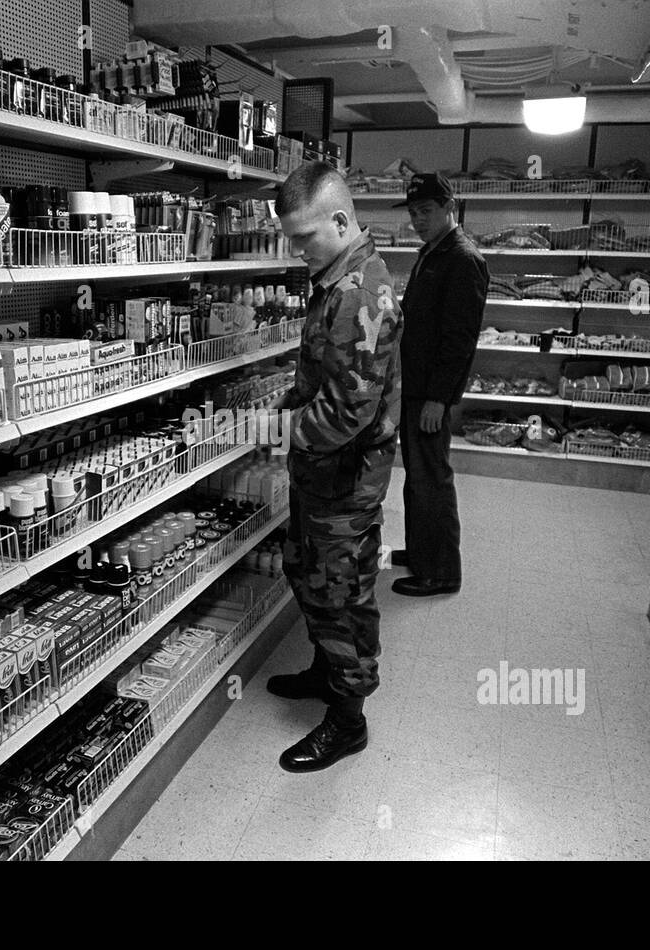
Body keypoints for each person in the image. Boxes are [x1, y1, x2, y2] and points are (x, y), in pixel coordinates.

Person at [265, 162, 403, 773]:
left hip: (346, 477)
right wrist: (285, 410)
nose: (297, 251)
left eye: (304, 237)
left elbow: (348, 409)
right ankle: (327, 672)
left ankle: (348, 722)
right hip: (322, 473)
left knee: (342, 593)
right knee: (308, 571)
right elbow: (322, 379)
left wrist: (272, 431)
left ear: (342, 221)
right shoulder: (336, 279)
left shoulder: (359, 294)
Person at [388, 172, 488, 597]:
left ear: (451, 208)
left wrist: (439, 399)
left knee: (432, 478)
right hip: (414, 386)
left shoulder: (462, 259)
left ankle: (442, 572)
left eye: (426, 211)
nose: (418, 220)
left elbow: (459, 340)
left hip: (429, 392)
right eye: (413, 212)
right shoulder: (433, 252)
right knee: (418, 476)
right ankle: (421, 552)